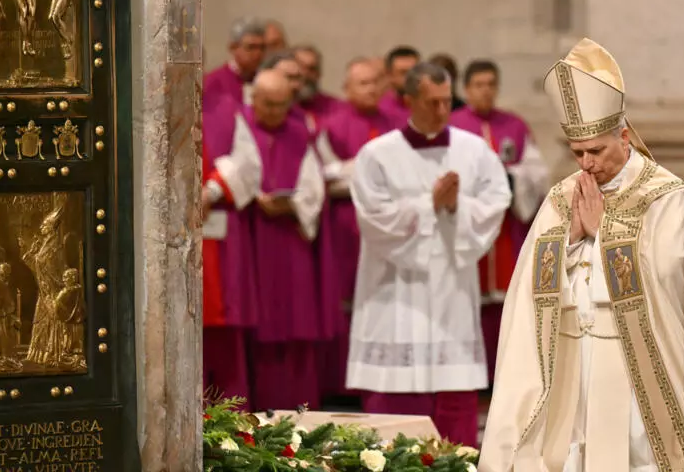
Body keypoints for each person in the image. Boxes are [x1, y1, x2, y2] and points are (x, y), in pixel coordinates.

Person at [480, 37, 684, 471]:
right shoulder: (562, 197)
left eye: (596, 150)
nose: (587, 163)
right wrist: (570, 240)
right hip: (575, 356)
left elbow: (671, 276)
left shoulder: (665, 196)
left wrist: (605, 233)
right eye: (577, 153)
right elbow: (529, 288)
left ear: (624, 136)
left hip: (637, 359)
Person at [347, 62, 512, 446]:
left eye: (446, 102)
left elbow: (496, 201)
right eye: (432, 102)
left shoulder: (474, 151)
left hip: (451, 290)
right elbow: (373, 220)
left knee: (453, 400)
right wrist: (429, 204)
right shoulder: (376, 155)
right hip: (394, 295)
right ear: (408, 100)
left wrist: (456, 208)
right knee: (395, 408)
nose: (442, 111)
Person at [204, 69, 326, 411]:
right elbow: (239, 172)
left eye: (282, 104)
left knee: (291, 321)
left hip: (287, 238)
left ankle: (296, 413)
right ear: (253, 99)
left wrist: (292, 204)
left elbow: (313, 188)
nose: (275, 111)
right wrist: (252, 197)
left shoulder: (300, 134)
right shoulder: (234, 124)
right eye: (268, 104)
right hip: (248, 236)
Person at [449, 59, 549, 383]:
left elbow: (537, 173)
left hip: (507, 227)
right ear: (466, 89)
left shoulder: (515, 125)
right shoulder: (453, 125)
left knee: (507, 303)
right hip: (469, 226)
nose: (486, 90)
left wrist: (511, 178)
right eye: (479, 85)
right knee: (470, 302)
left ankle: (504, 376)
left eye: (491, 84)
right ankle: (472, 376)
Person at [314, 57, 395, 398]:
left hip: (391, 227)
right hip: (346, 227)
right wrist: (367, 174)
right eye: (363, 82)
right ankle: (345, 385)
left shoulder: (398, 124)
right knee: (349, 302)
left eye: (376, 81)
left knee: (388, 302)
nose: (372, 88)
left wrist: (357, 172)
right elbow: (322, 176)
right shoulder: (331, 125)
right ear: (346, 89)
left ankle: (384, 377)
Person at [200, 88, 263, 403]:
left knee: (224, 338)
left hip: (218, 235)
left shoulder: (223, 107)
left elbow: (248, 164)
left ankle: (234, 434)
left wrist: (210, 190)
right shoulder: (143, 102)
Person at [203, 17, 267, 109]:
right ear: (233, 47)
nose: (258, 53)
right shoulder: (214, 81)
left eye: (262, 47)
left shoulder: (267, 81)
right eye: (251, 47)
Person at [293, 45, 344, 133]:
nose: (305, 74)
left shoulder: (336, 109)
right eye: (300, 67)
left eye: (311, 69)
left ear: (319, 74)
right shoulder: (276, 107)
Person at [378, 45, 421, 128]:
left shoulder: (431, 107)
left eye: (415, 71)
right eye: (403, 73)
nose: (410, 77)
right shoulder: (380, 110)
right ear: (389, 75)